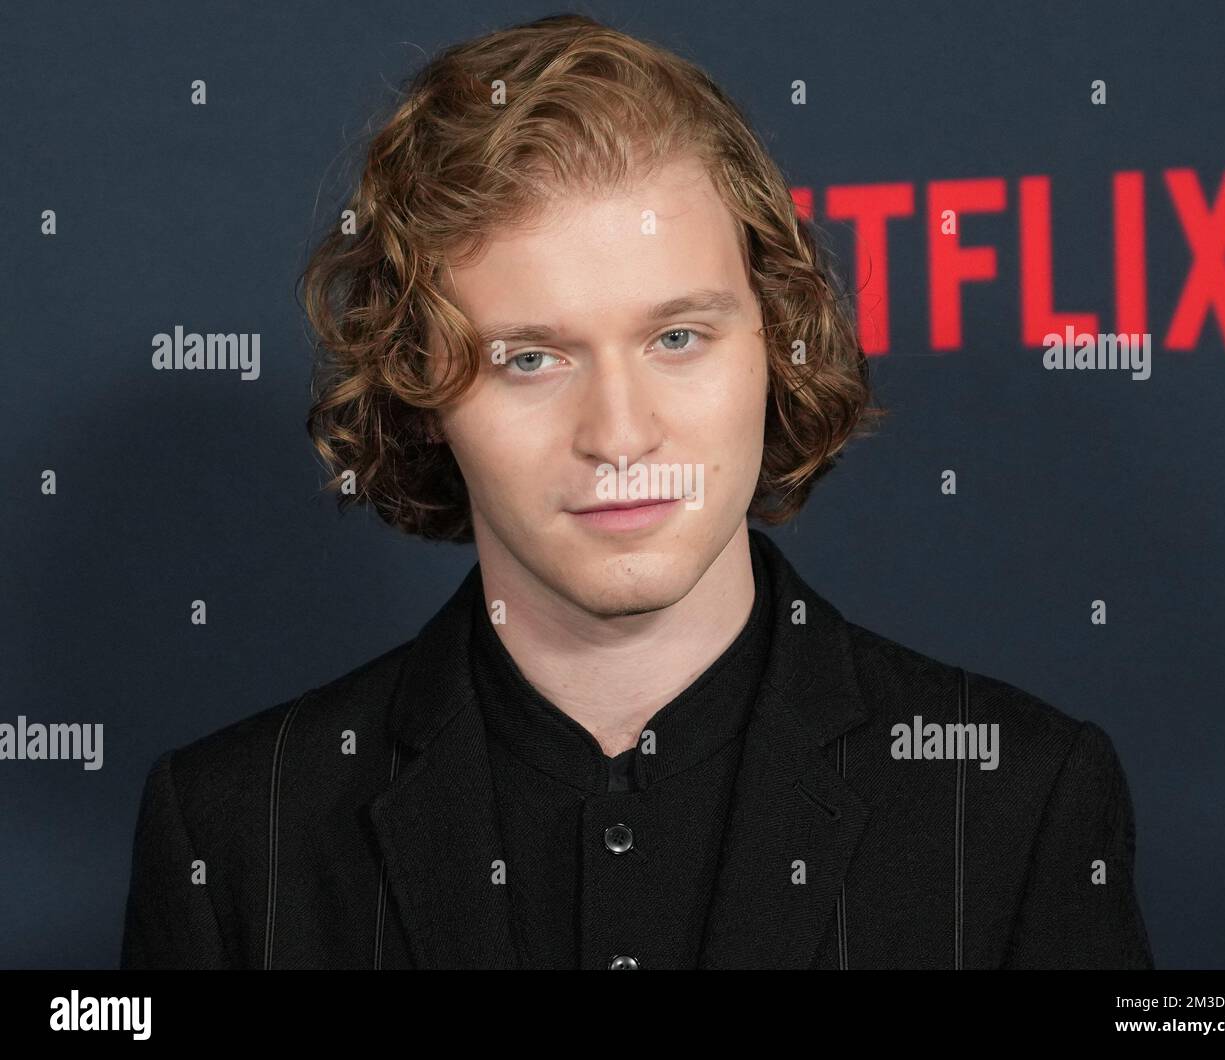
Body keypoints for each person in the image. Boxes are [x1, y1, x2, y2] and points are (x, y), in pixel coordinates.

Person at [120, 13, 1153, 970]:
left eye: (676, 337)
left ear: (776, 344)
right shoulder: (233, 831)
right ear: (419, 387)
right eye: (529, 358)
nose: (619, 434)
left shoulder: (1017, 799)